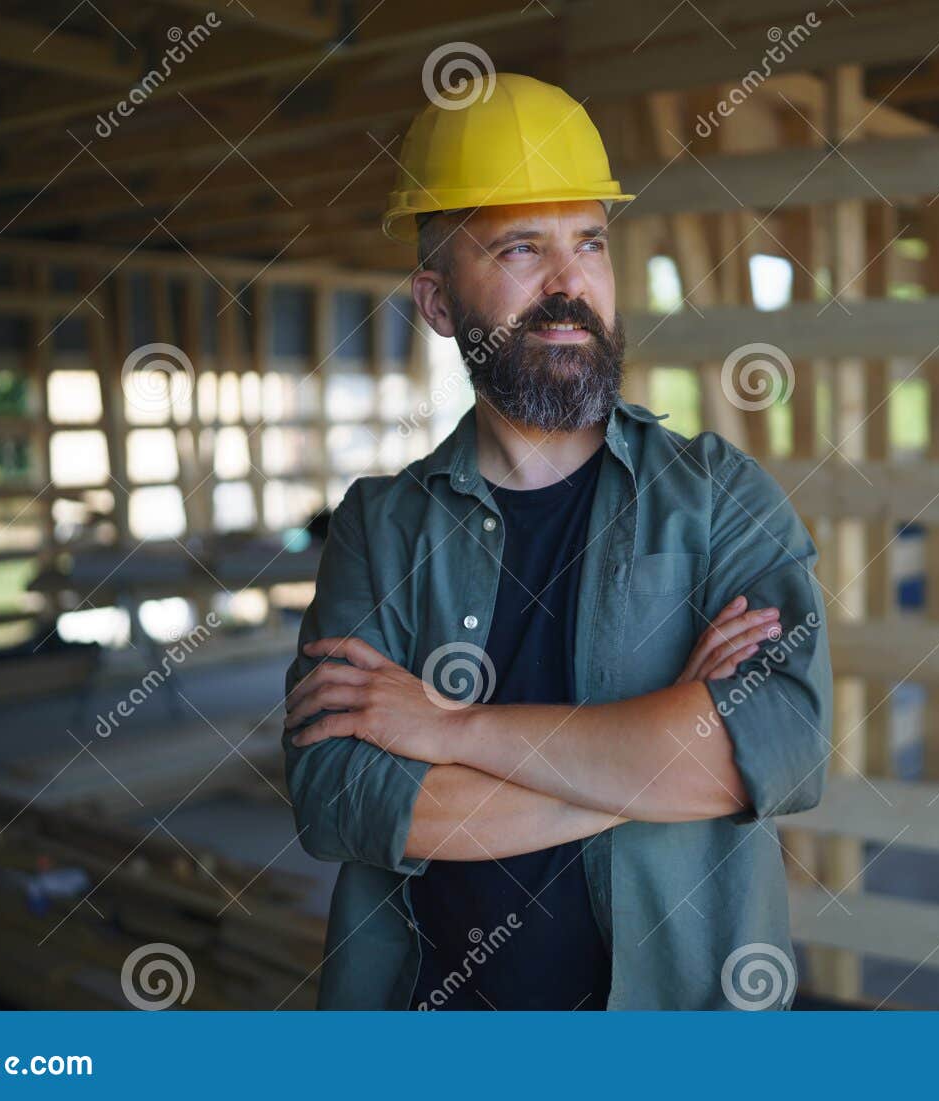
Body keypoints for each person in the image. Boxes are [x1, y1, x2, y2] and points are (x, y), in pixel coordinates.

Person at [282, 72, 830, 1010]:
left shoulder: (718, 498)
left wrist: (449, 732)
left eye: (590, 243)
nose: (570, 283)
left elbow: (777, 748)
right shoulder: (378, 529)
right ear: (439, 300)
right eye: (522, 248)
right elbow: (343, 799)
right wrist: (656, 753)